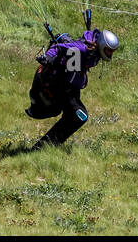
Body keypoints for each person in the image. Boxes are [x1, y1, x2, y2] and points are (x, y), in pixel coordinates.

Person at [26, 11, 119, 148]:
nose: (110, 54)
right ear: (101, 45)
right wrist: (48, 57)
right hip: (61, 85)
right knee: (78, 116)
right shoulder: (81, 48)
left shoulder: (94, 50)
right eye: (109, 50)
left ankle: (44, 147)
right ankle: (44, 147)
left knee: (77, 117)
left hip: (71, 89)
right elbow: (58, 48)